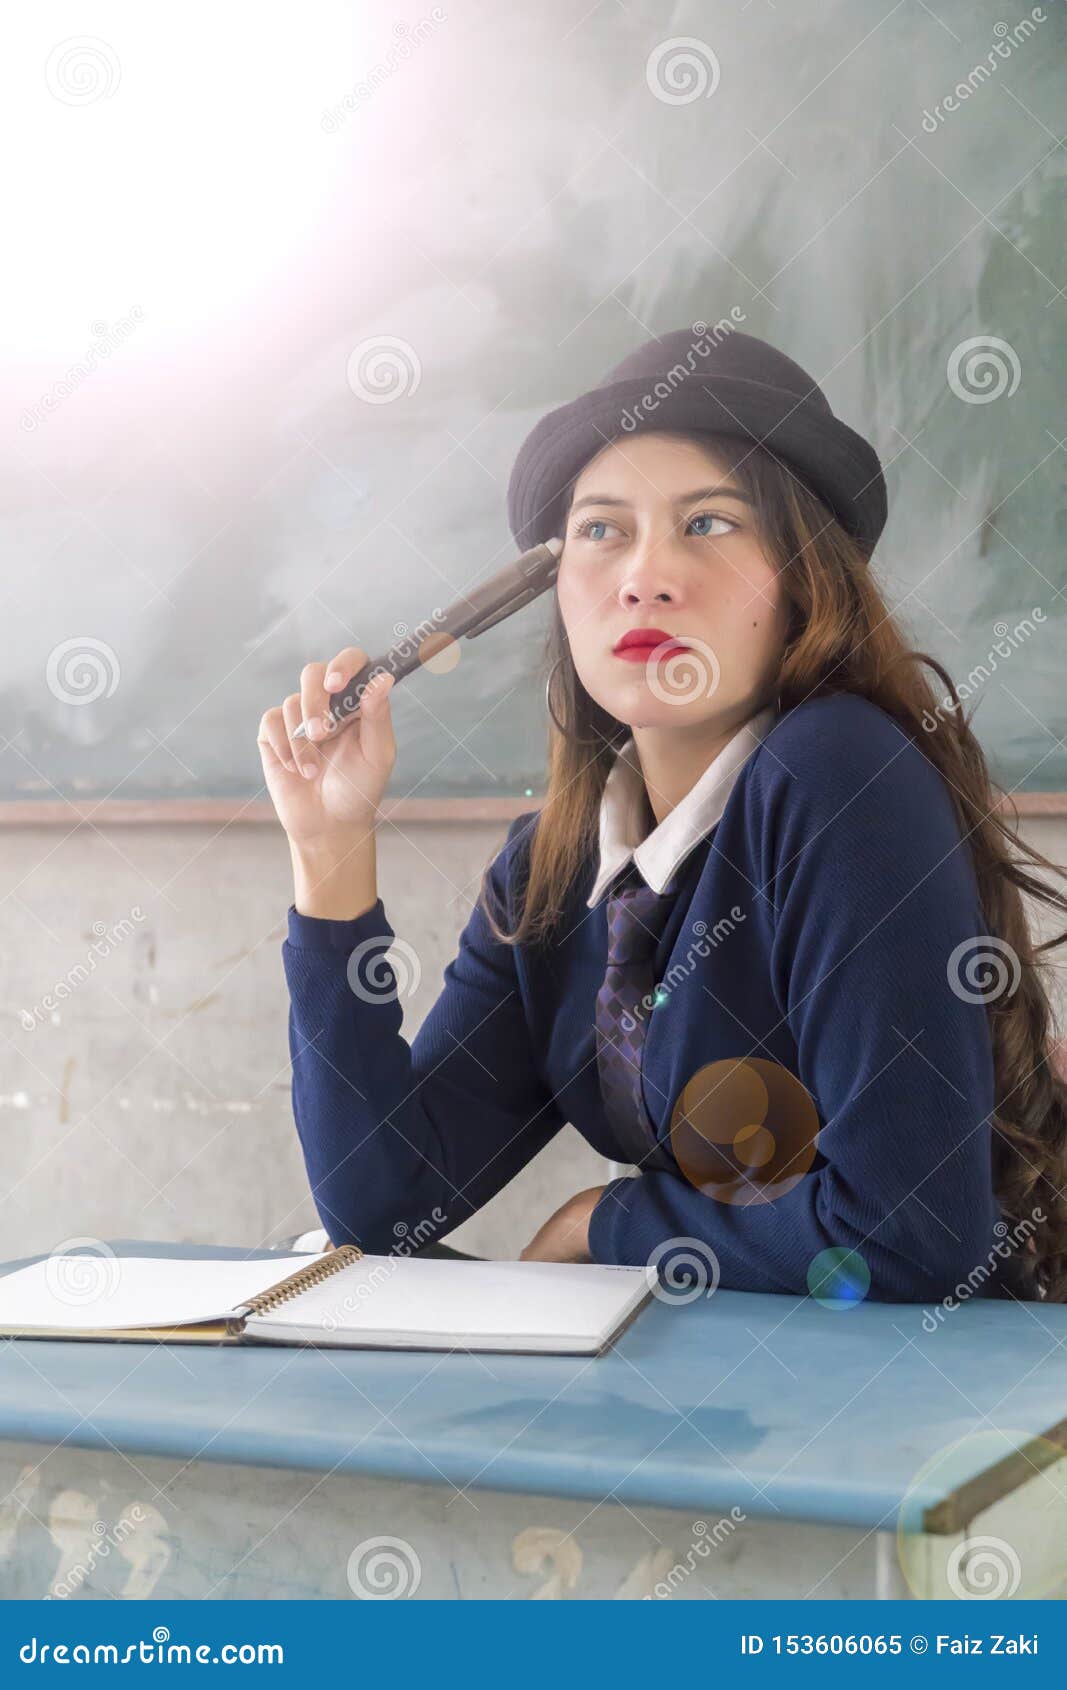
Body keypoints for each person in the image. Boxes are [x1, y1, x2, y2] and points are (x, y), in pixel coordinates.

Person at [258, 325, 1067, 1303]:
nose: (645, 575)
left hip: (928, 1387)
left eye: (708, 523)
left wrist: (602, 1222)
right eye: (601, 530)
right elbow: (384, 1210)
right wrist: (330, 847)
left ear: (803, 578)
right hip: (722, 1375)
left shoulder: (834, 771)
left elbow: (903, 1242)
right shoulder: (552, 870)